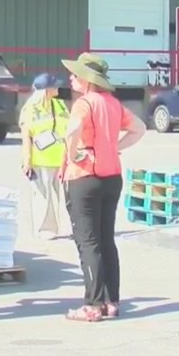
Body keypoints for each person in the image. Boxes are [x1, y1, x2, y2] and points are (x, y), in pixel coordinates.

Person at [60, 53, 146, 322]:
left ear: (87, 80)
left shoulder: (84, 104)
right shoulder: (113, 104)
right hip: (111, 177)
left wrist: (73, 153)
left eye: (75, 75)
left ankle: (93, 304)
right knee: (106, 240)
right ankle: (111, 300)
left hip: (85, 177)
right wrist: (115, 147)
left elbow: (71, 130)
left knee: (88, 242)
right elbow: (140, 129)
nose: (71, 78)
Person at [19, 72, 71, 240]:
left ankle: (62, 228)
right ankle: (45, 230)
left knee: (61, 196)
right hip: (40, 160)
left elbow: (68, 129)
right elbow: (26, 137)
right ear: (45, 90)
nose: (57, 88)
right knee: (43, 196)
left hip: (60, 159)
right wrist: (27, 162)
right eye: (54, 85)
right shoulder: (30, 109)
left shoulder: (60, 105)